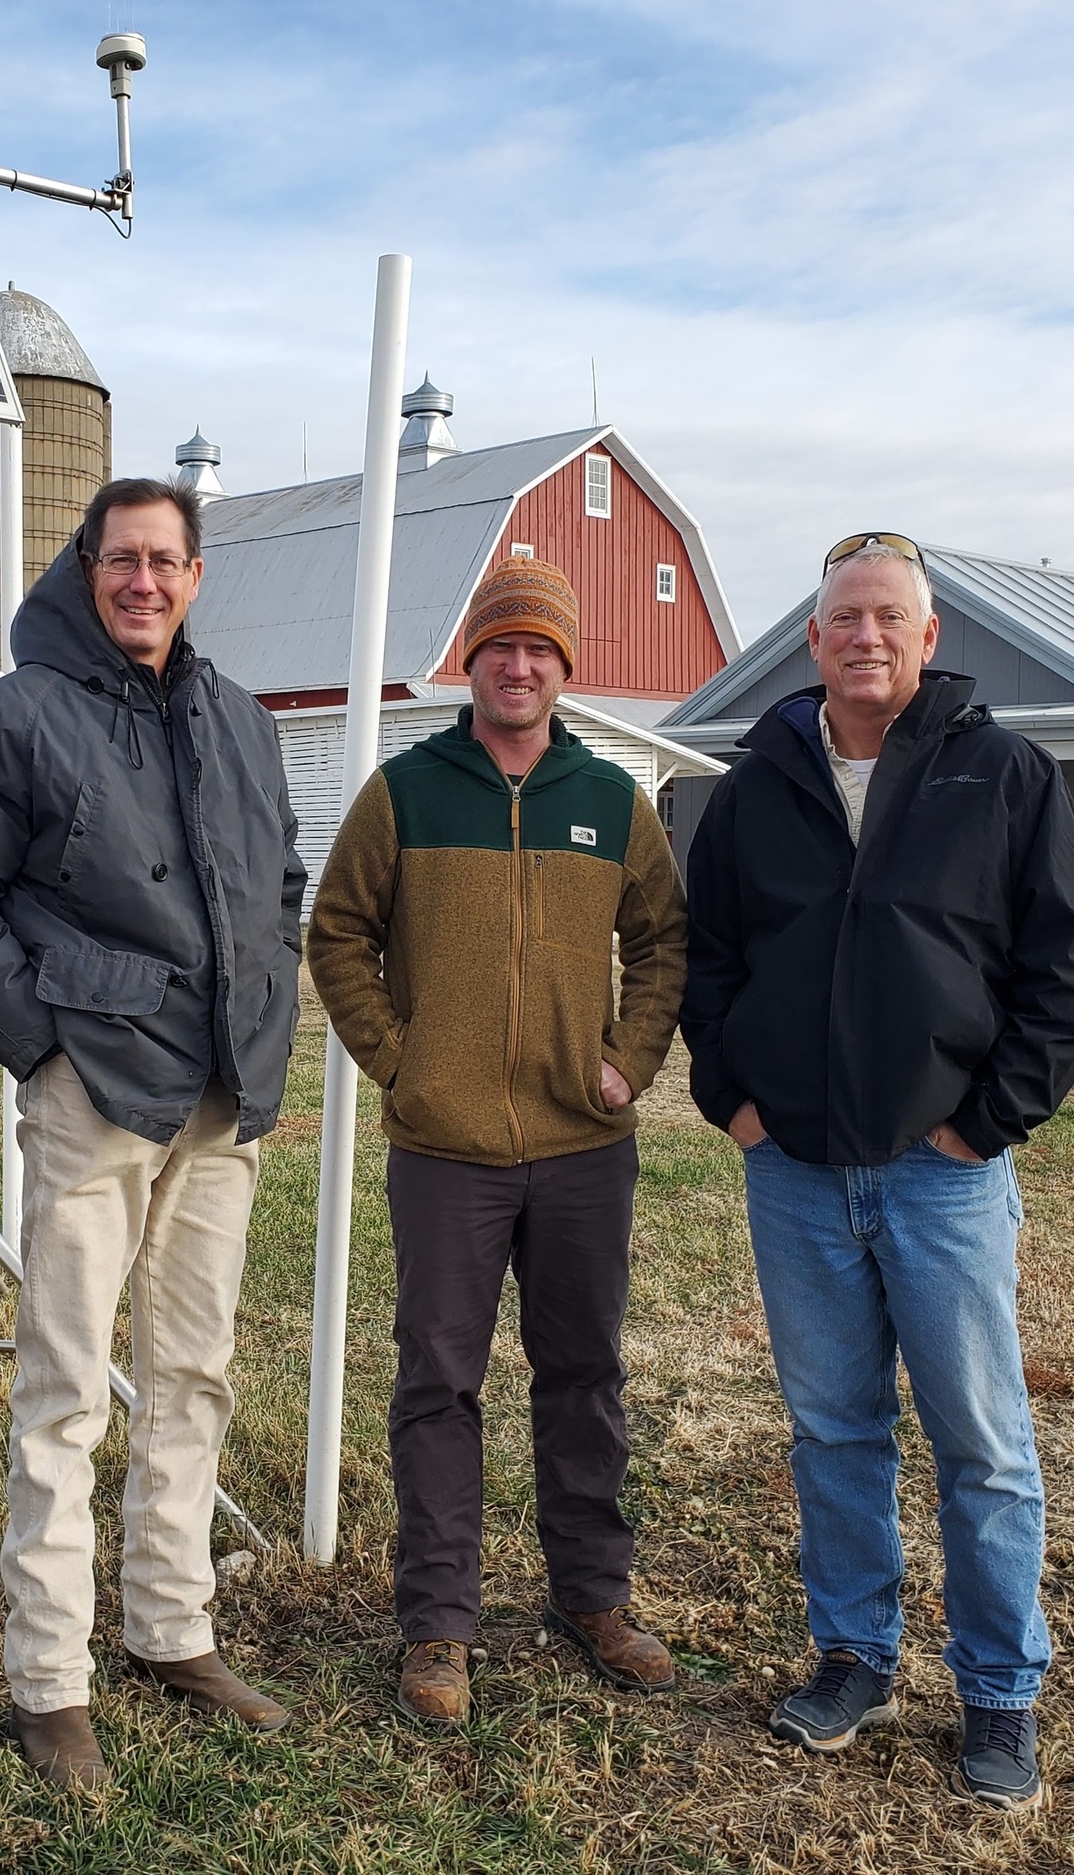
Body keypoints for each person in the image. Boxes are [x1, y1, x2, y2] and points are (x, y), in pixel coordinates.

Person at [679, 531, 1074, 1815]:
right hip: (796, 1172)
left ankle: (998, 1693)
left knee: (981, 1443)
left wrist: (985, 1126)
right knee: (834, 1431)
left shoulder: (1005, 775)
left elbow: (1063, 969)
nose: (864, 635)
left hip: (943, 1177)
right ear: (812, 642)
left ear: (929, 641)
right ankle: (855, 1654)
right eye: (842, 617)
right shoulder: (755, 786)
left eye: (889, 618)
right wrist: (737, 1105)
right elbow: (708, 960)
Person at [0, 475, 306, 1791]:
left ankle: (172, 1626)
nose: (144, 581)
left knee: (193, 1374)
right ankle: (49, 1676)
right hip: (96, 1089)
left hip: (222, 1097)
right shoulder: (13, 718)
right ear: (87, 571)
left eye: (166, 562)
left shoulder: (238, 721)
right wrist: (45, 1040)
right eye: (120, 559)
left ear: (195, 577)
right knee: (65, 1391)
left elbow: (278, 884)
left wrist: (266, 1005)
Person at [306, 553, 690, 1725]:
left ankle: (592, 1597)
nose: (518, 666)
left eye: (540, 649)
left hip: (583, 1145)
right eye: (499, 645)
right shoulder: (404, 792)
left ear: (564, 668)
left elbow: (665, 940)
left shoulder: (613, 799)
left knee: (583, 1374)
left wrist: (628, 1059)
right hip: (447, 1150)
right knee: (439, 1385)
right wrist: (404, 1063)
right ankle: (438, 1626)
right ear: (469, 659)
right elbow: (337, 936)